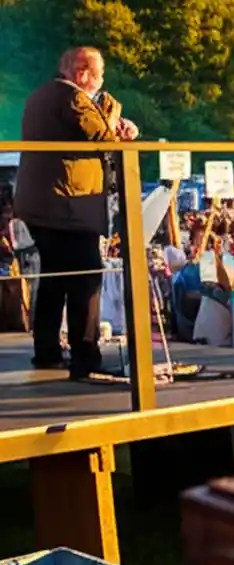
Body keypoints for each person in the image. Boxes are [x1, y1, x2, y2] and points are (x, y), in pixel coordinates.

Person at [14, 47, 138, 378]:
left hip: (43, 206)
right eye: (99, 76)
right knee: (86, 280)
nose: (101, 84)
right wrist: (115, 120)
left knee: (54, 280)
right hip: (69, 206)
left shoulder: (39, 96)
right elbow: (101, 137)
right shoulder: (73, 99)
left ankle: (48, 352)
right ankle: (86, 356)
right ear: (82, 74)